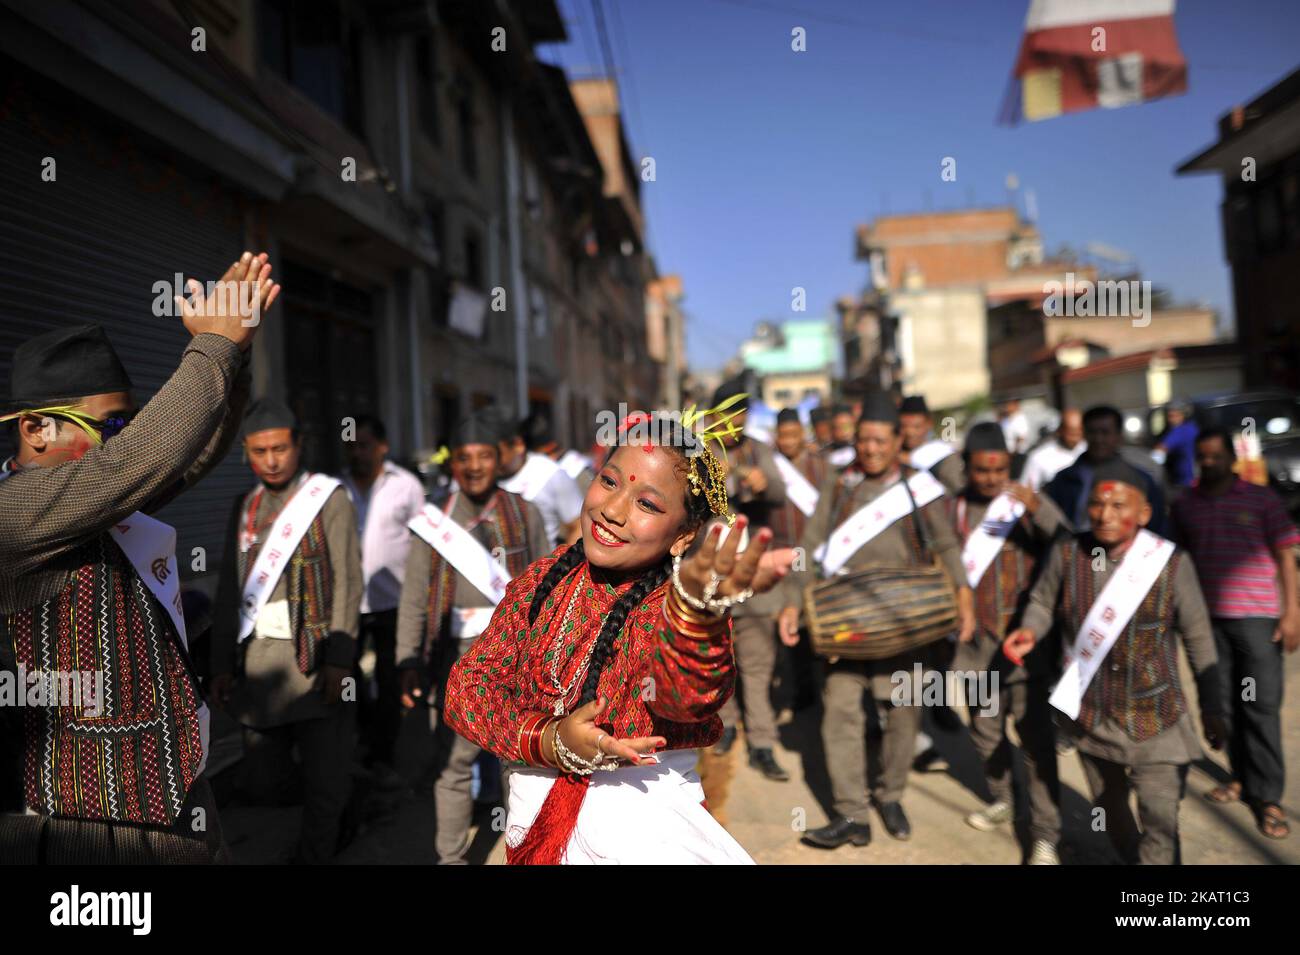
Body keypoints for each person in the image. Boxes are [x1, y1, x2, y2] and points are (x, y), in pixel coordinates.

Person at [0, 251, 278, 862]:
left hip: (169, 790)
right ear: (36, 428)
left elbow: (187, 451)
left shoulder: (98, 493)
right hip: (84, 821)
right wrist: (213, 348)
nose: (121, 438)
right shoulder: (13, 511)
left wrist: (234, 351)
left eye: (129, 422)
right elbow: (143, 459)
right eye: (109, 423)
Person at [441, 411, 796, 863]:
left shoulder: (670, 607)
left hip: (644, 838)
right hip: (531, 828)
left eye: (647, 504)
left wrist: (697, 613)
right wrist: (551, 741)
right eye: (609, 482)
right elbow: (465, 690)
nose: (612, 510)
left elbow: (685, 701)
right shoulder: (541, 580)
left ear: (684, 536)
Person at [1005, 459, 1225, 865]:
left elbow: (1198, 638)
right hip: (1092, 718)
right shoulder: (1068, 552)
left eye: (1119, 506)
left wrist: (1212, 705)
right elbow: (1041, 601)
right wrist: (1031, 630)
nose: (1105, 515)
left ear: (1143, 513)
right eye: (1096, 504)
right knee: (1111, 812)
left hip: (1156, 719)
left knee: (1160, 817)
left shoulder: (1172, 564)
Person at [778, 392, 975, 847]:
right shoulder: (839, 484)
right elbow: (808, 544)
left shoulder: (918, 487)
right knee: (840, 715)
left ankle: (890, 795)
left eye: (880, 441)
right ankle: (851, 813)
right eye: (864, 440)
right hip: (843, 621)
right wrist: (792, 600)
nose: (870, 449)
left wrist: (963, 596)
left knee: (904, 716)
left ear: (896, 441)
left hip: (904, 621)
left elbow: (945, 546)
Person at [210, 398, 363, 863]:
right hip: (260, 670)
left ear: (299, 446)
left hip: (314, 663)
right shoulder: (245, 506)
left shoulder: (328, 499)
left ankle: (321, 848)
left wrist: (339, 660)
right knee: (264, 778)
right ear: (246, 454)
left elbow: (348, 582)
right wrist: (219, 664)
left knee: (324, 780)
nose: (271, 460)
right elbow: (226, 590)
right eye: (259, 451)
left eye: (279, 448)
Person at [394, 410, 549, 864]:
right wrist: (407, 659)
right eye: (465, 458)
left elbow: (550, 580)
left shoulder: (526, 513)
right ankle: (451, 857)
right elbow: (413, 597)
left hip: (516, 655)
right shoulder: (432, 520)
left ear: (500, 459)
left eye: (485, 456)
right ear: (453, 464)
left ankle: (524, 853)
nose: (476, 466)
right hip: (454, 655)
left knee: (515, 760)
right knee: (454, 762)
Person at [1170, 427, 1299, 840]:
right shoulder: (1185, 504)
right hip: (1207, 625)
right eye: (1202, 457)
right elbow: (1177, 560)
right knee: (1226, 708)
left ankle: (1268, 797)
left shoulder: (1261, 499)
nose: (1208, 463)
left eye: (1215, 456)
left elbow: (1285, 555)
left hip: (1258, 622)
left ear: (1232, 459)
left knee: (1259, 706)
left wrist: (1292, 612)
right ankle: (1242, 779)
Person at [949, 424, 1067, 865]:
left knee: (1036, 743)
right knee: (984, 735)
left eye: (1000, 469)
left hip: (1023, 648)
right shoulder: (954, 508)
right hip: (974, 649)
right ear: (968, 467)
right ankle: (1001, 798)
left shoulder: (1025, 503)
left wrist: (1039, 510)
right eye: (982, 470)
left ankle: (1045, 835)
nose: (992, 479)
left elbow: (1069, 546)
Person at [709, 385, 791, 781]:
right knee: (717, 659)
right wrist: (709, 482)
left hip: (754, 575)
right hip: (711, 573)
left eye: (739, 416)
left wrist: (763, 484)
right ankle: (724, 726)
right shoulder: (696, 450)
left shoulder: (758, 449)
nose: (733, 425)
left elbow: (780, 494)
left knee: (757, 665)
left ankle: (762, 742)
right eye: (725, 416)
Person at [340, 413, 427, 784]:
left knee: (392, 681)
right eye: (351, 446)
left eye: (364, 445)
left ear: (382, 447)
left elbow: (423, 541)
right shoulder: (336, 489)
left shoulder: (405, 486)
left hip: (394, 602)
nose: (357, 453)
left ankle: (384, 756)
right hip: (350, 606)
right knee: (349, 679)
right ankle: (360, 741)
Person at [1044, 405, 1168, 536]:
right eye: (1092, 432)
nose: (1098, 439)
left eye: (1105, 432)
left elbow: (1157, 528)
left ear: (1118, 435)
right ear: (1084, 434)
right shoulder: (1064, 480)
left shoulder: (1140, 480)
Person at [497, 415, 584, 546]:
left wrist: (563, 564)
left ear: (518, 445)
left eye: (497, 453)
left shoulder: (550, 473)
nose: (478, 465)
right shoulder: (474, 481)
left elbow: (578, 525)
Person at [898, 394, 963, 493]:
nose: (909, 432)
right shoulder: (892, 456)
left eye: (916, 427)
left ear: (929, 424)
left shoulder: (943, 456)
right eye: (904, 426)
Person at [1021, 408, 1086, 491]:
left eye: (1080, 433)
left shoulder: (1089, 449)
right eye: (1072, 434)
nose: (1076, 439)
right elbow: (1027, 491)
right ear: (1060, 430)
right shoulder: (1039, 457)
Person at [1154, 402, 1199, 490]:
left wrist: (1150, 466)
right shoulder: (1192, 427)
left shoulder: (1180, 431)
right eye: (1169, 416)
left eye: (1174, 416)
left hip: (1185, 483)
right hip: (1193, 479)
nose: (1170, 420)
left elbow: (1161, 450)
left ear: (1183, 415)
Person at [825, 403, 857, 469]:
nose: (843, 432)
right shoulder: (827, 453)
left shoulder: (862, 449)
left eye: (846, 426)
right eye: (838, 427)